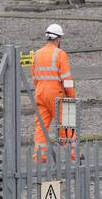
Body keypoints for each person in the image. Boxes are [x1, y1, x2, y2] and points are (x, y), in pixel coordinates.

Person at [31, 23, 75, 161]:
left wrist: (40, 89)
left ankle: (39, 155)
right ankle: (73, 154)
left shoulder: (37, 54)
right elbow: (66, 78)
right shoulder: (60, 54)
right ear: (58, 39)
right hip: (56, 93)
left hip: (40, 93)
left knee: (41, 125)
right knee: (67, 121)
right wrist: (71, 95)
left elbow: (34, 77)